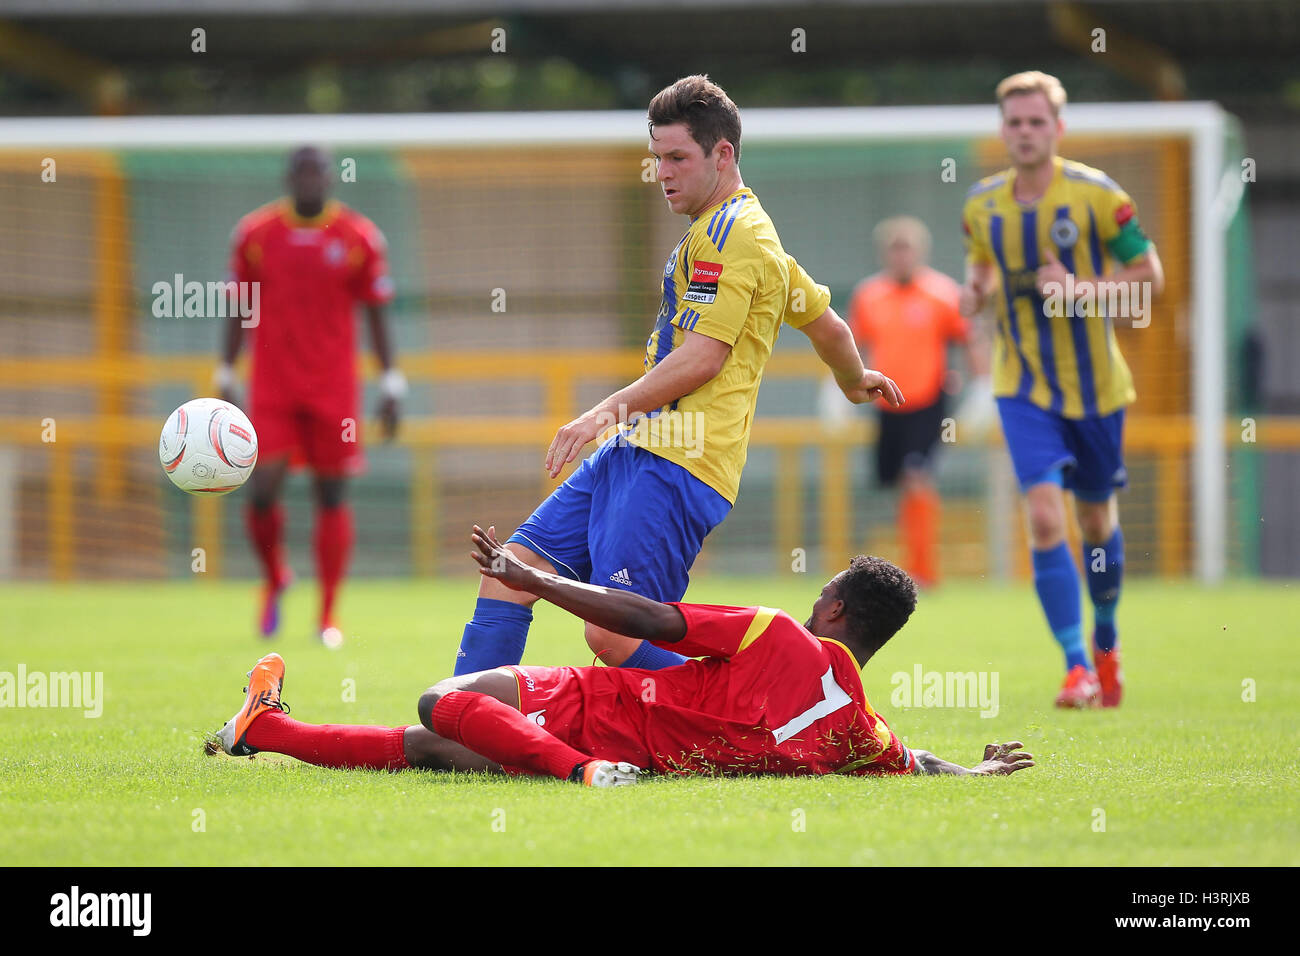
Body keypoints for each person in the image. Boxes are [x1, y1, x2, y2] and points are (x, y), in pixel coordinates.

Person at [455, 75, 903, 678]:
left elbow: (702, 358)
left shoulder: (732, 236)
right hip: (638, 447)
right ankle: (466, 722)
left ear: (723, 154)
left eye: (676, 158)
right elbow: (828, 327)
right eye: (656, 158)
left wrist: (598, 415)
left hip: (678, 462)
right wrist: (856, 379)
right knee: (509, 573)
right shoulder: (748, 234)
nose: (662, 172)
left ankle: (754, 712)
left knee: (614, 635)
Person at [208, 524, 1035, 785]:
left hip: (594, 710)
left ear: (835, 609)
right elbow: (915, 762)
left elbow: (646, 615)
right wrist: (979, 774)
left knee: (438, 702)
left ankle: (576, 774)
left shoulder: (778, 632)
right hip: (630, 749)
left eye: (822, 590)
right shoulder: (861, 734)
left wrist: (533, 579)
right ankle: (263, 731)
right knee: (429, 747)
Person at [959, 72, 1164, 708]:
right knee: (1047, 517)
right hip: (1021, 387)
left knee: (1096, 520)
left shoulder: (1099, 198)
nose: (1024, 133)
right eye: (1014, 123)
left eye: (1035, 122)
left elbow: (1148, 279)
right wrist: (977, 289)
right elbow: (981, 264)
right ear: (1003, 131)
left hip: (1097, 391)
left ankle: (1106, 639)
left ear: (1057, 128)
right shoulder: (981, 205)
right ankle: (1075, 666)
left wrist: (1081, 289)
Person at [218, 145, 405, 648]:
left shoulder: (358, 237)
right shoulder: (256, 234)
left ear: (329, 179)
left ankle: (327, 615)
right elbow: (239, 306)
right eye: (300, 171)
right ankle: (276, 575)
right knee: (261, 491)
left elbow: (377, 311)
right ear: (288, 177)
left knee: (332, 494)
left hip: (333, 388)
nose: (309, 180)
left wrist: (391, 382)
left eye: (316, 172)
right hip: (272, 385)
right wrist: (225, 370)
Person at [848, 216, 986, 587]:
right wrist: (836, 388)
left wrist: (982, 387)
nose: (901, 256)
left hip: (929, 402)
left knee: (916, 477)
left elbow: (969, 339)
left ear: (920, 251)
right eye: (895, 248)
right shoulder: (869, 295)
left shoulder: (942, 293)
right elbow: (851, 345)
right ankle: (901, 566)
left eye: (907, 248)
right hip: (885, 404)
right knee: (895, 484)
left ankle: (923, 572)